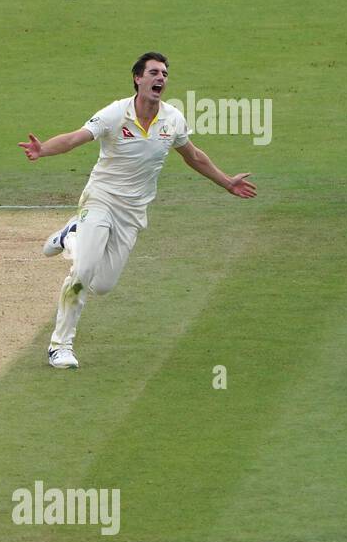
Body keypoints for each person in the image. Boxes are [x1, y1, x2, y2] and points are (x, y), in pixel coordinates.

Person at [19, 52, 257, 369]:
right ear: (138, 78)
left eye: (164, 74)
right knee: (83, 272)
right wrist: (44, 149)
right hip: (100, 200)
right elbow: (77, 138)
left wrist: (227, 182)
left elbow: (193, 156)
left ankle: (70, 236)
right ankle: (60, 346)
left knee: (102, 285)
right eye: (154, 73)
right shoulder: (115, 114)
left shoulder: (172, 119)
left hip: (132, 213)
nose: (160, 78)